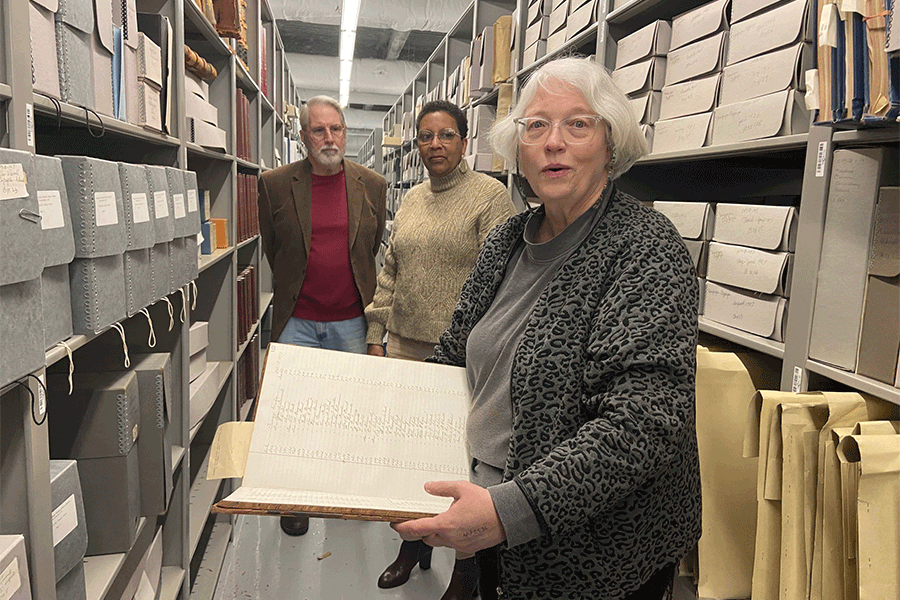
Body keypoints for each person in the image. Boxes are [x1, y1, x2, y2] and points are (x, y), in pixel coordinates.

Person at [392, 57, 702, 600]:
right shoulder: (507, 240)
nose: (553, 142)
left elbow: (644, 423)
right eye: (535, 126)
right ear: (517, 149)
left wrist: (510, 511)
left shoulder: (645, 248)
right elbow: (455, 350)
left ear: (610, 143)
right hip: (490, 524)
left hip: (595, 556)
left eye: (577, 124)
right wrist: (384, 437)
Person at [365, 99, 516, 599]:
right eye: (426, 136)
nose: (435, 145)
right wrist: (376, 332)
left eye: (446, 135)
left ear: (465, 140)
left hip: (463, 361)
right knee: (408, 460)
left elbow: (503, 282)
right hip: (407, 348)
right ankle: (414, 547)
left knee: (459, 468)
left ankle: (466, 569)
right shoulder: (410, 200)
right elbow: (390, 270)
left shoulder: (489, 197)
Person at [257, 95, 387, 537]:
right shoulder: (274, 183)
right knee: (294, 416)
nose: (329, 138)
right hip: (298, 320)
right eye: (319, 130)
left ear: (346, 133)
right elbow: (275, 248)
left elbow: (370, 249)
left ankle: (343, 492)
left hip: (352, 319)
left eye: (337, 129)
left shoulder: (373, 184)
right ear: (303, 136)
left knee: (350, 413)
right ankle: (295, 499)